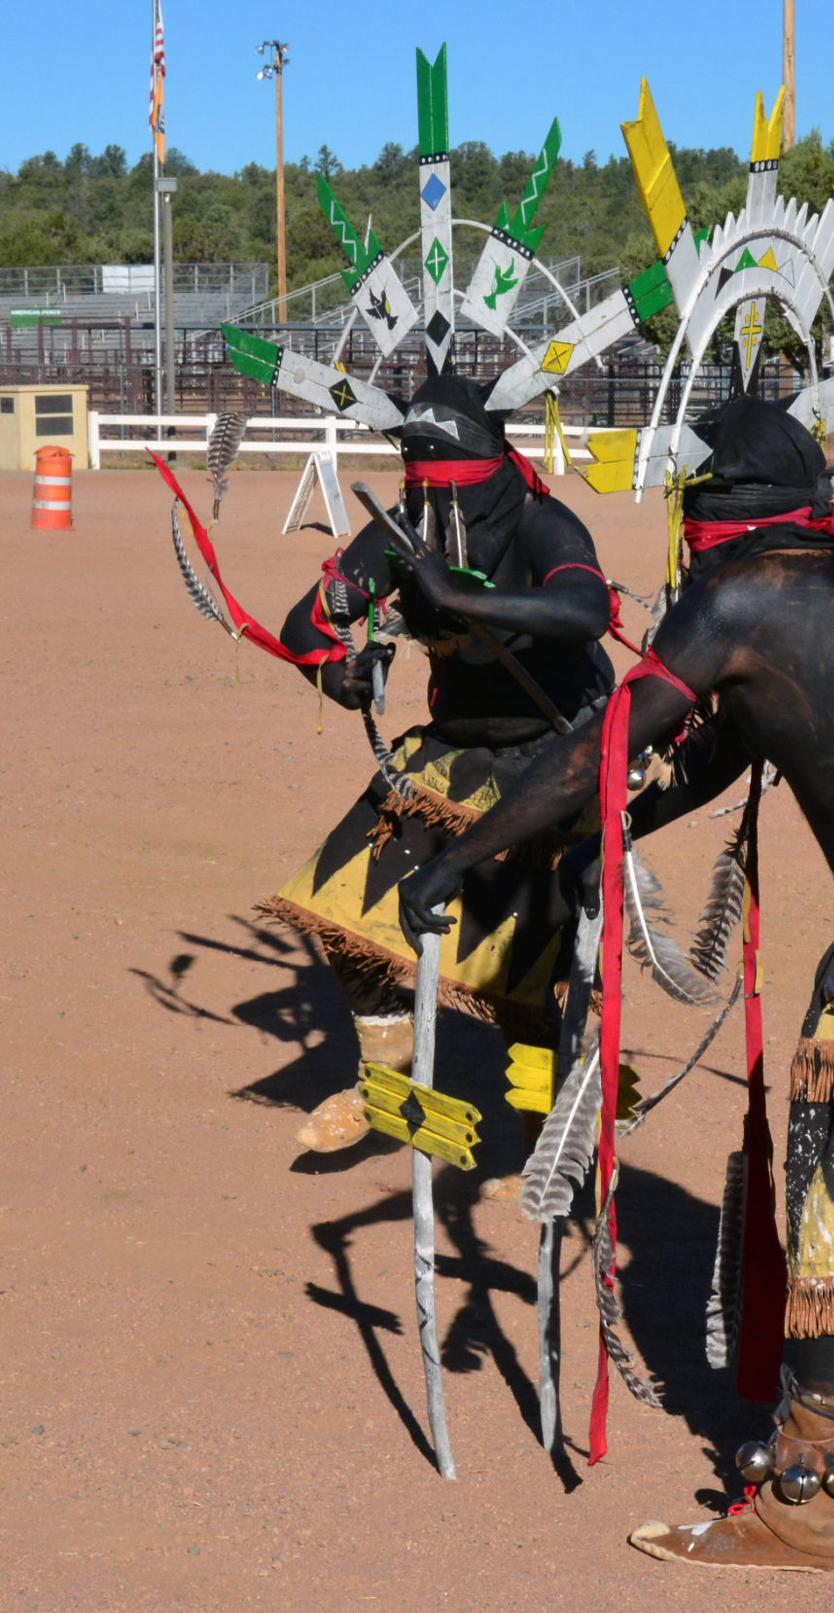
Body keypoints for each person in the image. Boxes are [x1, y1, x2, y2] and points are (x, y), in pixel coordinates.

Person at [397, 395, 834, 1570]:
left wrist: (467, 853)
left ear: (710, 500)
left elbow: (604, 742)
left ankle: (810, 1495)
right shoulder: (828, 568)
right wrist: (597, 841)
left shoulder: (738, 586)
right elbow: (724, 738)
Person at [265, 374, 615, 1153]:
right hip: (452, 748)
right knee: (344, 914)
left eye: (456, 491)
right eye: (426, 491)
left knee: (525, 961)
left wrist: (461, 601)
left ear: (494, 472)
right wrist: (336, 671)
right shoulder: (402, 529)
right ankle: (384, 1083)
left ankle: (548, 1121)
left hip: (560, 753)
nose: (442, 512)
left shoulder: (541, 523)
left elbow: (587, 611)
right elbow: (310, 621)